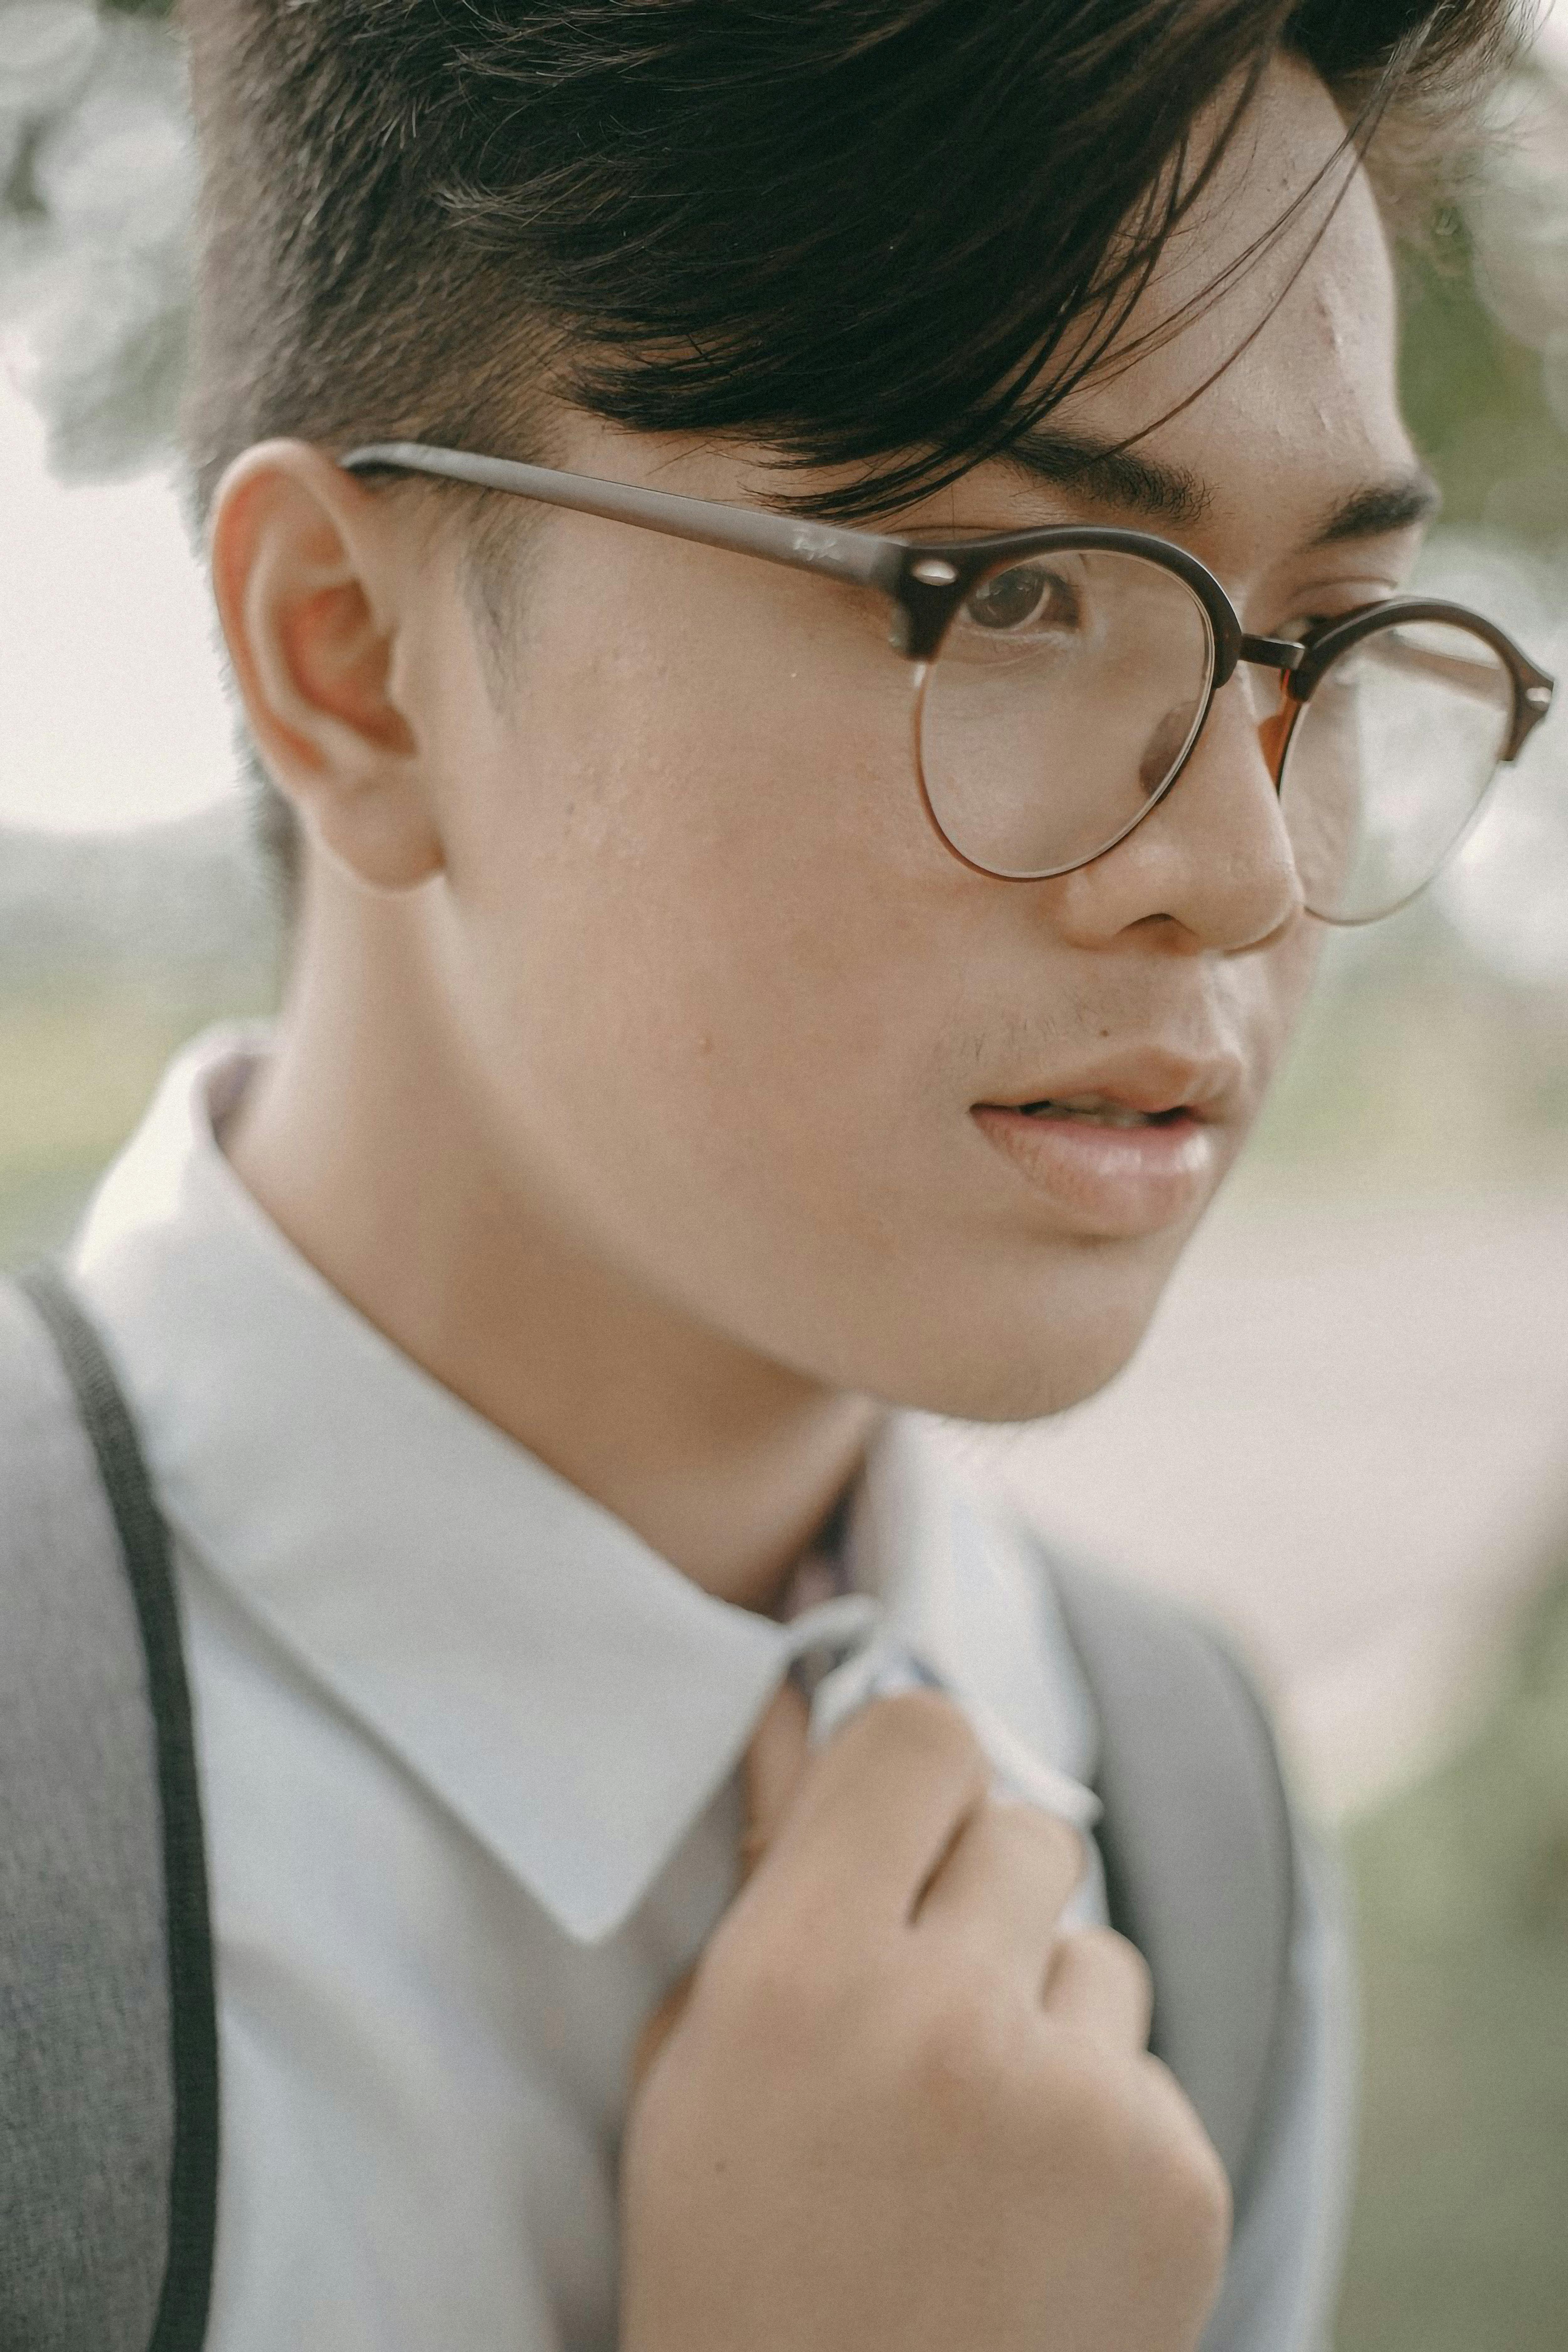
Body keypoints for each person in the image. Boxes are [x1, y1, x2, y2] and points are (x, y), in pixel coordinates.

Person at [0, 2, 1554, 2349]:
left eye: (1319, 640)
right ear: (350, 662)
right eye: (1009, 595)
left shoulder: (1186, 1813)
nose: (1237, 867)